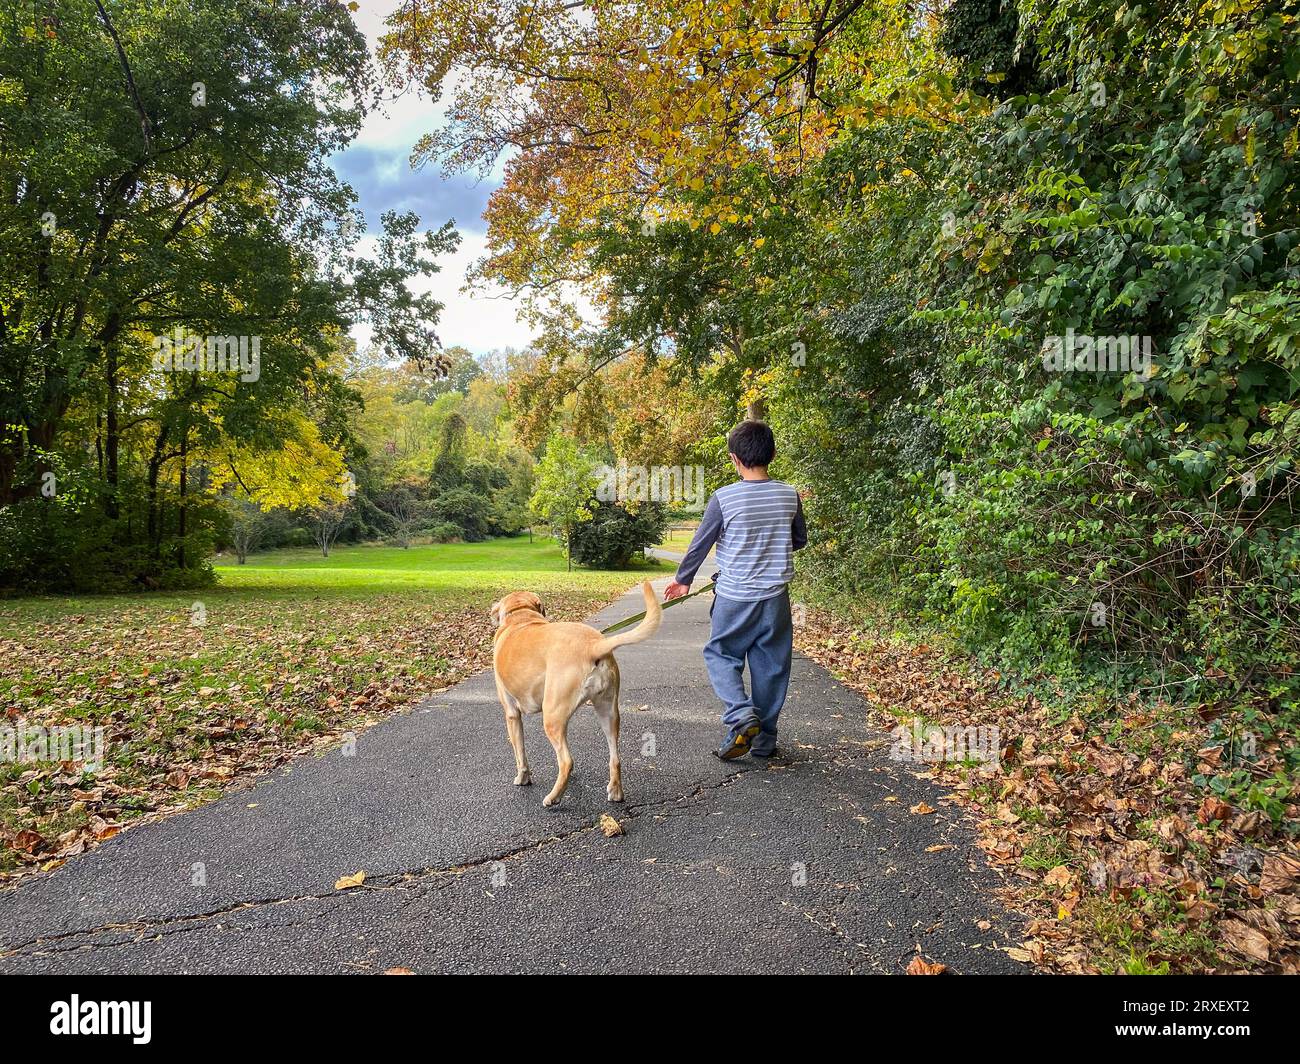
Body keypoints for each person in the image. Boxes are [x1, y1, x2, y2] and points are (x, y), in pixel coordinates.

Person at [665, 421, 807, 759]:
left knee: (721, 654)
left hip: (734, 598)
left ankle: (741, 714)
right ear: (772, 453)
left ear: (734, 459)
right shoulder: (789, 495)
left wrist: (684, 579)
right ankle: (765, 740)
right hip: (775, 600)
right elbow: (799, 540)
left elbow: (701, 543)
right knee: (771, 666)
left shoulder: (724, 498)